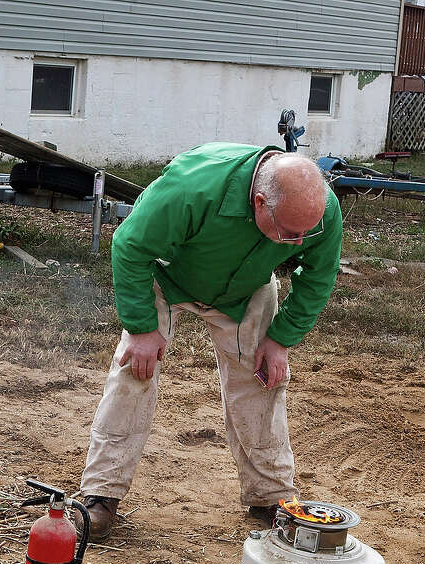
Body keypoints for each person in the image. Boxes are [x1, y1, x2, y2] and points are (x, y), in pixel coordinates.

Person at [79, 143, 343, 541]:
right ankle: (101, 494)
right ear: (259, 202)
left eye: (306, 232)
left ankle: (271, 495)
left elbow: (318, 277)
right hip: (168, 277)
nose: (297, 241)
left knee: (264, 378)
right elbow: (130, 246)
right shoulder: (192, 186)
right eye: (289, 233)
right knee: (134, 370)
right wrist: (142, 328)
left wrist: (281, 339)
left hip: (246, 288)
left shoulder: (317, 209)